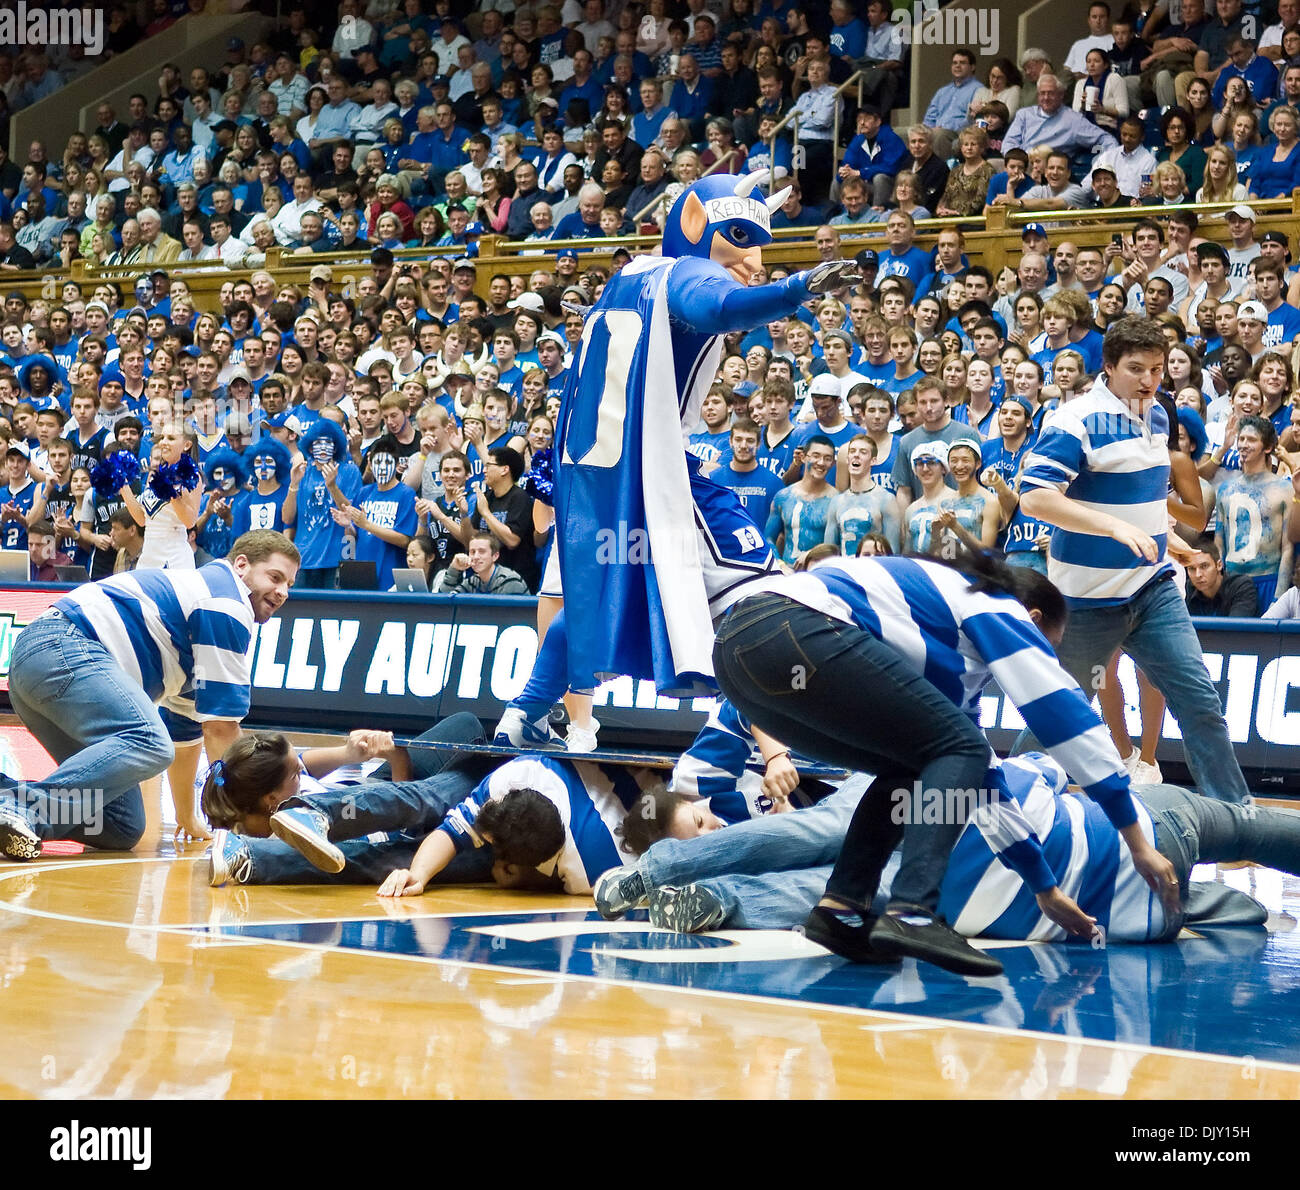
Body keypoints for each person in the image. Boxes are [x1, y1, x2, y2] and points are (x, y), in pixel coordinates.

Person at [705, 552, 1176, 975]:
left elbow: (982, 781)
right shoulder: (998, 604)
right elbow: (1062, 713)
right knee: (957, 750)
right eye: (1047, 648)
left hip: (737, 653)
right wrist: (1136, 838)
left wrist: (1043, 886)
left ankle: (840, 911)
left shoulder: (938, 641)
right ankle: (912, 911)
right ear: (1033, 618)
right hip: (791, 628)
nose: (1039, 659)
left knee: (916, 761)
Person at [552, 170, 858, 697]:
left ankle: (526, 710)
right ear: (693, 222)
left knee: (599, 598)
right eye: (741, 239)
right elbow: (716, 306)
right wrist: (796, 288)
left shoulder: (631, 278)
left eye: (762, 246)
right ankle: (758, 740)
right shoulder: (685, 274)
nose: (755, 262)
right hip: (657, 474)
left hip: (602, 475)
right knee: (762, 592)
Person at [597, 751, 1300, 946]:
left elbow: (1021, 773)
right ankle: (719, 900)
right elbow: (1228, 911)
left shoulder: (1060, 791)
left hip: (974, 821)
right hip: (966, 902)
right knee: (846, 891)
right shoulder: (1159, 920)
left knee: (825, 833)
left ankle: (665, 866)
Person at [1019, 316, 1251, 803]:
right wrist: (1114, 527)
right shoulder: (1074, 419)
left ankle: (1237, 820)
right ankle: (1002, 807)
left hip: (1153, 587)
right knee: (1059, 714)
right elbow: (1034, 498)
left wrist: (1164, 538)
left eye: (1158, 369)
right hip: (1086, 601)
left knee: (1201, 702)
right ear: (1108, 367)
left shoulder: (1160, 413)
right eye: (1137, 369)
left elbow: (1142, 496)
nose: (1149, 380)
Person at [0, 530, 300, 859]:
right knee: (147, 739)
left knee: (122, 825)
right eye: (275, 577)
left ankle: (9, 800)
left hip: (37, 668)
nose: (283, 591)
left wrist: (188, 816)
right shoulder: (227, 603)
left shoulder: (200, 613)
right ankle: (18, 807)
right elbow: (223, 730)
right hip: (63, 646)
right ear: (241, 565)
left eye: (289, 584)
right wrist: (239, 820)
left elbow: (186, 737)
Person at [438, 531, 530, 594]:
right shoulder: (472, 582)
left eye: (482, 551)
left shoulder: (510, 580)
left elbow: (504, 617)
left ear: (495, 556)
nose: (476, 557)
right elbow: (443, 605)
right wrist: (454, 569)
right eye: (472, 552)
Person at [1185, 541, 1260, 616]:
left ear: (1219, 565)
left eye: (1204, 566)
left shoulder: (1241, 586)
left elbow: (1237, 626)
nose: (1198, 575)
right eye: (1191, 568)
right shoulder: (1188, 588)